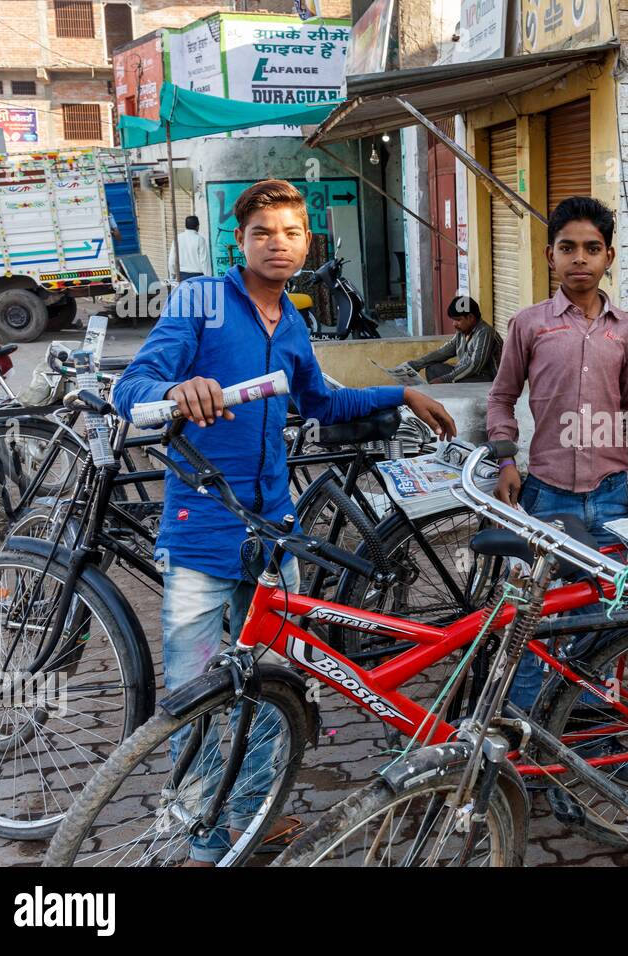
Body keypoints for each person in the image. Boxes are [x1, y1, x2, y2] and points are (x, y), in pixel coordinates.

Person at [113, 180, 455, 863]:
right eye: (264, 232)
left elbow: (323, 400)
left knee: (273, 687)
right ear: (238, 241)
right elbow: (131, 388)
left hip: (273, 533)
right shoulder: (201, 302)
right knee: (197, 696)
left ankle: (251, 819)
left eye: (292, 233)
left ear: (308, 243)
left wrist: (404, 391)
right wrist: (176, 390)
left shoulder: (292, 319)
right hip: (204, 528)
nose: (279, 244)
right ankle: (203, 836)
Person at [487, 195, 628, 708]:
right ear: (549, 256)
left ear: (609, 257)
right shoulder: (530, 324)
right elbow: (500, 397)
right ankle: (517, 730)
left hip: (609, 500)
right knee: (531, 617)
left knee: (601, 619)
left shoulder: (625, 330)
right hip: (544, 497)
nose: (579, 259)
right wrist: (506, 459)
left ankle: (581, 728)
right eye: (568, 248)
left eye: (592, 248)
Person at [404, 296, 502, 384]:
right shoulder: (462, 332)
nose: (454, 324)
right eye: (453, 320)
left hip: (489, 379)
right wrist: (415, 364)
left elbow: (474, 365)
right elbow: (442, 352)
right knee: (432, 369)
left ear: (470, 317)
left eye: (458, 320)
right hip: (469, 374)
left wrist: (445, 379)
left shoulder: (485, 332)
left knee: (450, 380)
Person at [170, 214, 211, 282]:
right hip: (197, 277)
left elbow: (172, 259)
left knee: (184, 293)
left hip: (181, 276)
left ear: (186, 226)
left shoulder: (177, 238)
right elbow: (204, 261)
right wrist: (208, 278)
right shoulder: (200, 239)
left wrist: (172, 275)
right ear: (197, 226)